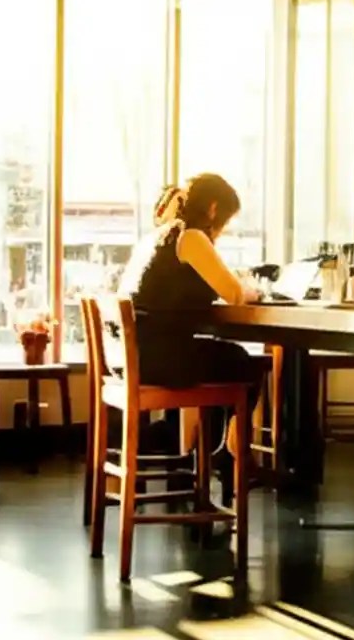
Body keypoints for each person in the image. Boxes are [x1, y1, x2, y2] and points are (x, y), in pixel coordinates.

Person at [116, 173, 262, 496]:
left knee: (225, 359)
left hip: (134, 357)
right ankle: (229, 452)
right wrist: (255, 290)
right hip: (161, 359)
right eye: (225, 220)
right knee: (245, 365)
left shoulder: (158, 237)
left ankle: (217, 451)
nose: (221, 230)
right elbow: (234, 294)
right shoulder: (192, 237)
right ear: (213, 208)